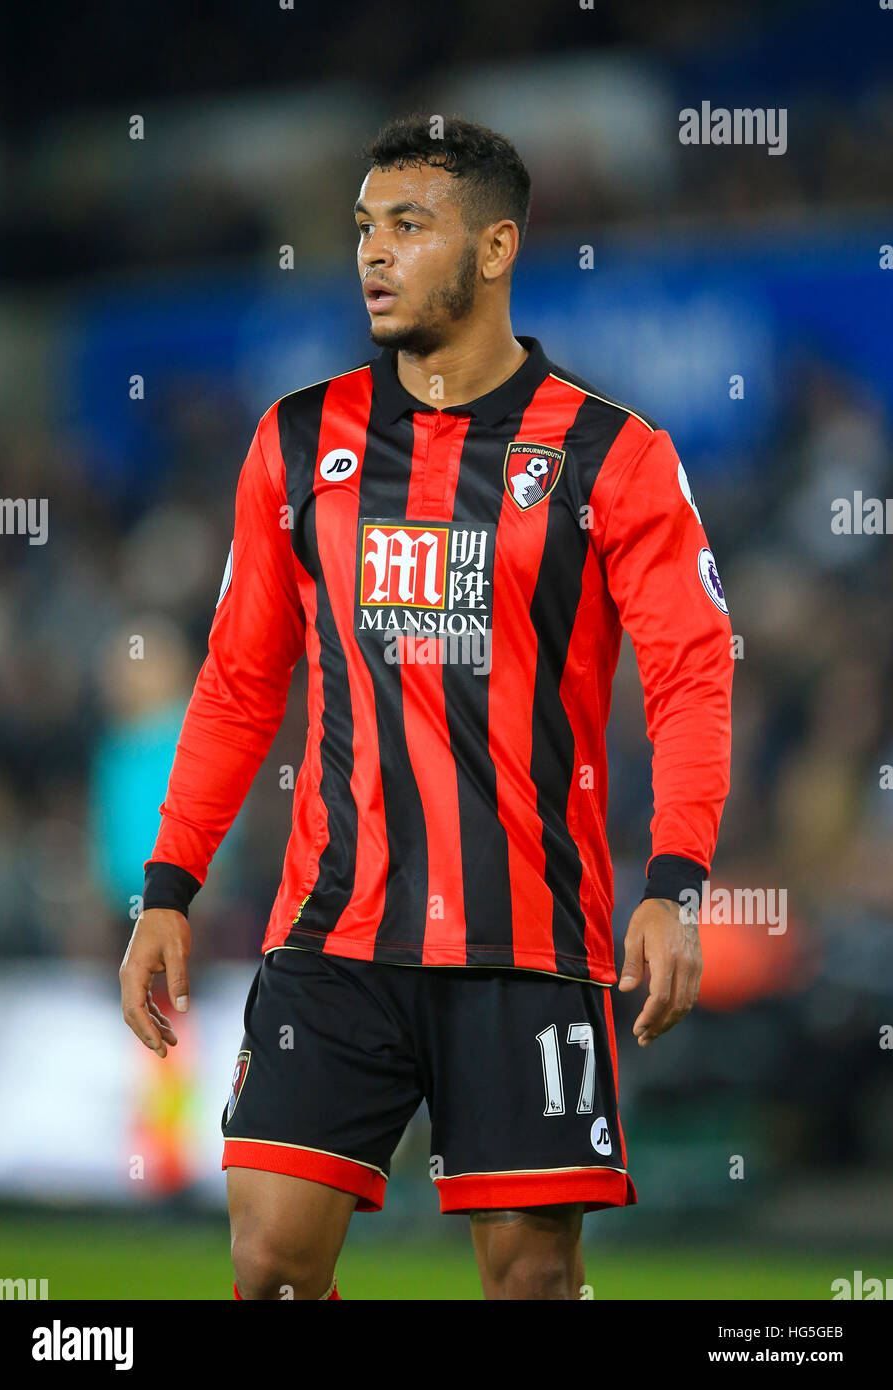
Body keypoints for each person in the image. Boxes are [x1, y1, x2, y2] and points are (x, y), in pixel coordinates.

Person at [119, 113, 733, 1300]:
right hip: (333, 933)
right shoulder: (297, 441)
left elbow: (690, 673)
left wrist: (673, 883)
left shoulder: (613, 457)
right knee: (268, 1270)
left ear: (495, 247)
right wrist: (168, 887)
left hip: (529, 938)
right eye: (362, 228)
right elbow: (242, 681)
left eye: (409, 225)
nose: (372, 254)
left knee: (531, 1284)